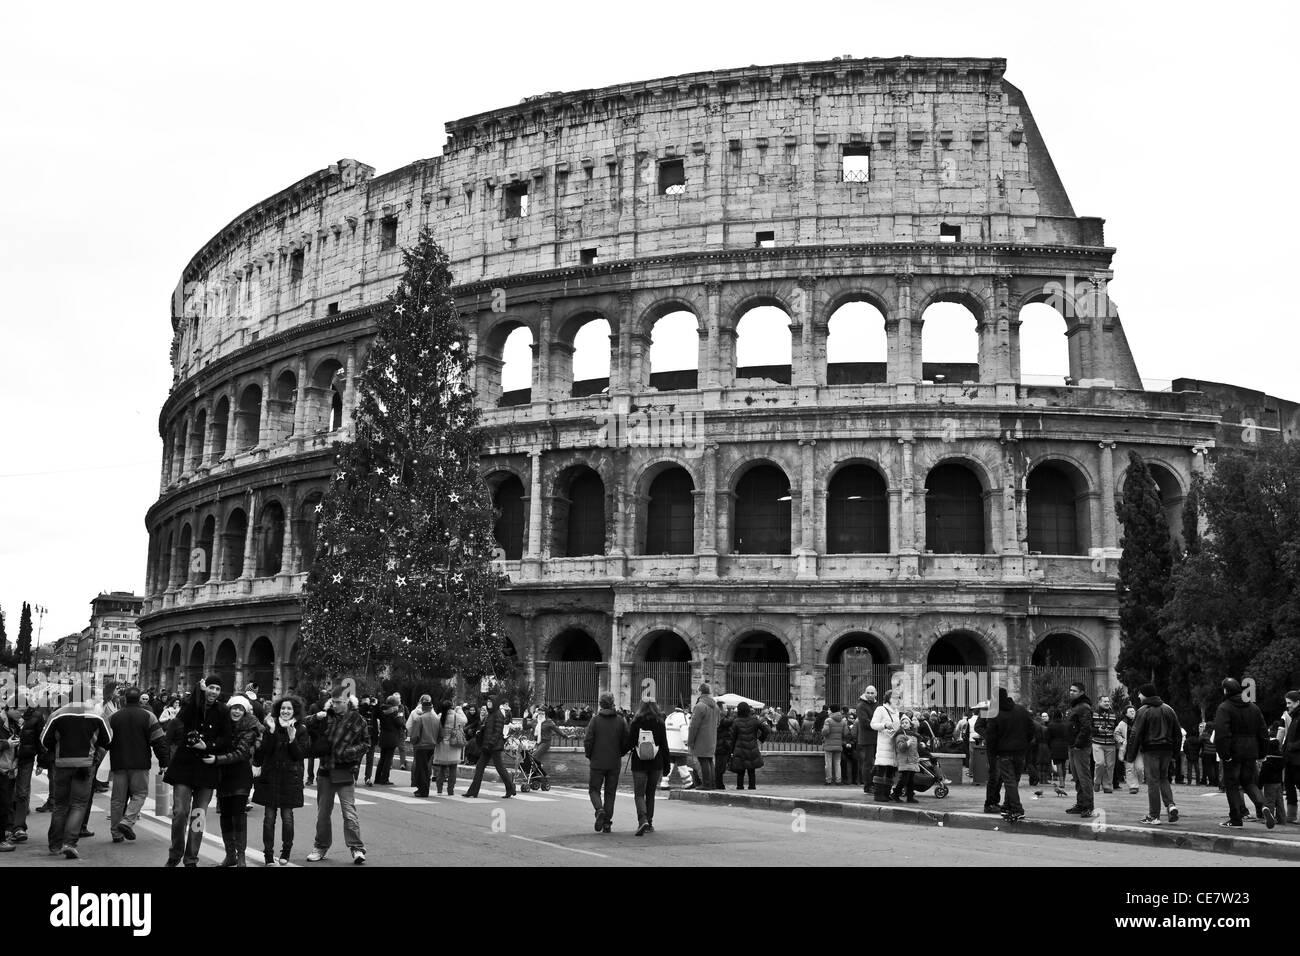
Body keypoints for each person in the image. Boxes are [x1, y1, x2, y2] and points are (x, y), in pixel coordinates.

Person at [163, 676, 231, 867]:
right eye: (211, 688)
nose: (214, 692)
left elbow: (226, 739)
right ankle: (175, 853)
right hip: (184, 767)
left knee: (198, 816)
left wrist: (207, 746)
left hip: (207, 768)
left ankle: (191, 858)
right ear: (205, 689)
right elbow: (181, 719)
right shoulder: (192, 705)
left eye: (217, 689)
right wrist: (197, 694)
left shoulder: (223, 710)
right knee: (180, 813)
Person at [40, 697, 112, 860]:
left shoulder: (58, 714)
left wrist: (57, 746)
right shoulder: (96, 714)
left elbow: (44, 740)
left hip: (62, 763)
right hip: (86, 764)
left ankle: (55, 844)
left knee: (60, 805)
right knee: (79, 805)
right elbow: (108, 740)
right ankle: (70, 843)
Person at [304, 687, 371, 862]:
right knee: (323, 813)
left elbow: (366, 743)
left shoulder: (358, 719)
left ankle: (357, 848)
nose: (335, 704)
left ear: (347, 701)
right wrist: (314, 717)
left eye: (339, 702)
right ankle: (320, 847)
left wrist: (349, 752)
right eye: (333, 701)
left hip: (345, 771)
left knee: (349, 812)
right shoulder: (326, 716)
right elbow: (303, 724)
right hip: (325, 771)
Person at [204, 694, 262, 866]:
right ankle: (230, 855)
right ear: (229, 708)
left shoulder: (250, 727)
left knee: (238, 815)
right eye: (234, 707)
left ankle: (241, 856)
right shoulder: (222, 725)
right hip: (223, 776)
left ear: (245, 711)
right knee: (226, 816)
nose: (236, 711)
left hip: (240, 775)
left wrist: (216, 760)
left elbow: (241, 753)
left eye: (240, 708)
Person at [107, 688, 169, 844]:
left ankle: (116, 833)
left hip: (119, 763)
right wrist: (164, 762)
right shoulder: (149, 716)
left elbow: (105, 740)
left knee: (117, 799)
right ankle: (127, 822)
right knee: (140, 794)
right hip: (140, 763)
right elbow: (159, 741)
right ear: (140, 700)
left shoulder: (113, 717)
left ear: (125, 699)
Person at [253, 695, 309, 866]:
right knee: (269, 818)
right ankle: (268, 855)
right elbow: (264, 751)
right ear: (278, 710)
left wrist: (292, 739)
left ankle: (286, 852)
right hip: (271, 777)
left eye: (289, 709)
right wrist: (270, 732)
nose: (285, 711)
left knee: (287, 817)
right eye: (283, 708)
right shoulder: (271, 725)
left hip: (290, 780)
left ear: (295, 711)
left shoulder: (300, 729)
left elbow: (300, 755)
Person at [1213, 677, 1272, 829]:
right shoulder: (1253, 707)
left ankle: (1235, 819)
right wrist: (1262, 752)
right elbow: (1263, 733)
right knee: (1249, 782)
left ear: (1226, 691)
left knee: (1232, 785)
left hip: (1233, 751)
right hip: (1251, 751)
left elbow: (1221, 734)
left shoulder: (1224, 708)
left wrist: (1224, 754)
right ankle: (1264, 806)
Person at [1123, 683, 1181, 825]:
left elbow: (1135, 734)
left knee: (1152, 781)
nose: (1138, 695)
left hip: (1151, 750)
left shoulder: (1143, 711)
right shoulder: (1168, 709)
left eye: (1140, 693)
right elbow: (1177, 733)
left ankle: (1154, 815)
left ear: (1146, 694)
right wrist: (1175, 753)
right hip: (1167, 749)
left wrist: (1130, 755)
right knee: (1163, 778)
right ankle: (1170, 805)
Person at [984, 687, 1033, 821]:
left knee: (1009, 781)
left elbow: (991, 737)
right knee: (1014, 780)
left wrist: (993, 754)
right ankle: (1008, 806)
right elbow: (1031, 729)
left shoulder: (995, 714)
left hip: (1004, 753)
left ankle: (1017, 809)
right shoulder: (1021, 710)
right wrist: (1025, 744)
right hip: (1020, 752)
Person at [584, 692, 629, 831]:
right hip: (614, 762)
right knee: (610, 793)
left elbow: (588, 740)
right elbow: (626, 742)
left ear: (600, 704)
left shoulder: (595, 720)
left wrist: (590, 755)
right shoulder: (621, 720)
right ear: (613, 703)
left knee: (594, 789)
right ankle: (607, 823)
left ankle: (599, 810)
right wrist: (619, 753)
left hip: (597, 761)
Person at [628, 699, 671, 836]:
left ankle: (643, 820)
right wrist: (666, 765)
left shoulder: (636, 722)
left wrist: (619, 751)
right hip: (656, 763)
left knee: (639, 794)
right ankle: (650, 823)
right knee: (650, 793)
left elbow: (630, 742)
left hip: (639, 763)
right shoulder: (660, 722)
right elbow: (664, 745)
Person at [463, 695, 515, 799]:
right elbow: (487, 730)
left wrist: (490, 744)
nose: (488, 704)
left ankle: (510, 788)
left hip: (494, 747)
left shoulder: (498, 715)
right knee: (479, 768)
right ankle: (473, 791)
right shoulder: (490, 714)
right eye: (488, 702)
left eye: (491, 702)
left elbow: (497, 732)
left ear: (495, 703)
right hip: (487, 747)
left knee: (500, 769)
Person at [7, 704, 44, 845]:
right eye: (18, 709)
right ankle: (8, 826)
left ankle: (19, 827)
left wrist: (42, 762)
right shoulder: (6, 718)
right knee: (7, 792)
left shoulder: (36, 716)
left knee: (22, 792)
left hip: (26, 759)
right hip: (7, 759)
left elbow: (40, 740)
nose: (21, 712)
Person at [1065, 682, 1096, 818]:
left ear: (1081, 692)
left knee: (1084, 777)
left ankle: (1088, 806)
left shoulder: (1083, 707)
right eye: (1070, 690)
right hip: (1074, 746)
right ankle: (1081, 803)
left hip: (1081, 747)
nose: (1071, 692)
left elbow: (1086, 727)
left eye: (1074, 691)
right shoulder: (1076, 706)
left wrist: (1078, 743)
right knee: (1077, 777)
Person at [869, 690, 901, 801]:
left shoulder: (896, 712)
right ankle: (878, 795)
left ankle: (886, 793)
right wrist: (885, 725)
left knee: (890, 770)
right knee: (881, 769)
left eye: (898, 698)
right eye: (895, 698)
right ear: (889, 699)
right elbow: (873, 724)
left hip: (893, 744)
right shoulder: (880, 709)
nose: (897, 700)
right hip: (884, 744)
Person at [727, 702, 768, 790]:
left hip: (739, 748)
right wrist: (760, 739)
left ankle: (740, 787)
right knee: (751, 770)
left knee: (740, 771)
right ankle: (752, 787)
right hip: (752, 747)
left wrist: (731, 750)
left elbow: (732, 737)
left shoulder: (736, 721)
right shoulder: (754, 720)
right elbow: (766, 730)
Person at [686, 684, 719, 790]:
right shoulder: (716, 706)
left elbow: (693, 726)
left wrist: (690, 741)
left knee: (703, 760)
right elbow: (718, 723)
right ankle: (712, 783)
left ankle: (706, 784)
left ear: (700, 692)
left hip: (701, 738)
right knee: (709, 760)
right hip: (712, 737)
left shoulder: (699, 706)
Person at [407, 694, 440, 798]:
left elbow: (415, 736)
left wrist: (413, 742)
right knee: (426, 768)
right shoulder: (436, 719)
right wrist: (435, 741)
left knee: (421, 769)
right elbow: (441, 735)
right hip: (431, 746)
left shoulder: (419, 719)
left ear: (423, 707)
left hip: (421, 746)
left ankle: (422, 790)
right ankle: (424, 789)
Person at [433, 699, 467, 795]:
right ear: (452, 707)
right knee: (453, 768)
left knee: (442, 769)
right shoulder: (457, 716)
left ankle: (439, 789)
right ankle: (450, 790)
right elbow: (465, 720)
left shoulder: (440, 716)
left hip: (442, 745)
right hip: (454, 744)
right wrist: (460, 710)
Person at [373, 693, 404, 786]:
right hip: (392, 737)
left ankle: (377, 778)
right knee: (388, 759)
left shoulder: (382, 710)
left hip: (383, 736)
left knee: (382, 758)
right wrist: (400, 715)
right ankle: (385, 778)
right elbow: (400, 723)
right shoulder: (395, 712)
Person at [0, 707, 20, 853]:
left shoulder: (13, 723)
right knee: (2, 805)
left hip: (7, 770)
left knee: (6, 804)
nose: (22, 714)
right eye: (20, 710)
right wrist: (7, 744)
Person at [1090, 695, 1119, 795]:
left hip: (1111, 743)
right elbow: (1089, 729)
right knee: (1100, 763)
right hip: (1097, 743)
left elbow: (1117, 729)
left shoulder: (1114, 714)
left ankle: (1107, 785)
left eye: (1108, 701)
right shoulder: (1093, 714)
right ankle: (1097, 782)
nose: (1107, 703)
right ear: (1099, 702)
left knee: (1110, 766)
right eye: (1104, 701)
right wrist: (1098, 730)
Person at [891, 714, 921, 802]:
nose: (904, 724)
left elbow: (915, 748)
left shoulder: (913, 735)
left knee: (911, 780)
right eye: (903, 723)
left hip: (912, 760)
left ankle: (910, 797)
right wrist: (906, 744)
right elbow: (900, 747)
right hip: (904, 760)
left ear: (910, 724)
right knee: (904, 779)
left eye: (906, 722)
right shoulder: (900, 735)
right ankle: (895, 794)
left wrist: (921, 745)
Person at [527, 705, 556, 788]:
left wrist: (566, 736)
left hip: (545, 742)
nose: (540, 713)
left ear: (545, 713)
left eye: (542, 712)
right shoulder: (535, 721)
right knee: (528, 757)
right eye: (539, 711)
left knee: (534, 756)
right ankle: (535, 777)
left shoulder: (549, 722)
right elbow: (525, 727)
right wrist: (525, 718)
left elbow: (557, 730)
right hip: (536, 742)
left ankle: (543, 773)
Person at [857, 687, 878, 794]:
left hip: (877, 738)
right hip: (866, 739)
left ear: (876, 694)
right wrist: (879, 725)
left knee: (876, 762)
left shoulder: (877, 705)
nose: (870, 695)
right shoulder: (861, 706)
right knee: (868, 763)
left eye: (872, 693)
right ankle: (868, 786)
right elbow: (865, 722)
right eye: (868, 693)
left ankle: (874, 784)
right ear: (865, 693)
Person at [1284, 691, 1300, 824]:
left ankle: (1292, 815)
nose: (1287, 706)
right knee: (1289, 786)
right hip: (1291, 758)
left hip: (1297, 758)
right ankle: (1291, 815)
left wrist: (1291, 746)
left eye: (1289, 703)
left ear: (1297, 702)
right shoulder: (1294, 716)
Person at [821, 704, 846, 785]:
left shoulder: (828, 720)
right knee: (837, 763)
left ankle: (828, 780)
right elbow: (845, 733)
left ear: (831, 710)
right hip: (838, 745)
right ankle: (838, 780)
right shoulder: (843, 721)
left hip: (828, 745)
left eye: (829, 709)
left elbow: (825, 732)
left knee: (828, 763)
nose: (828, 711)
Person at [357, 694, 379, 786]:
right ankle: (354, 778)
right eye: (365, 700)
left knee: (370, 760)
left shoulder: (373, 709)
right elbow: (361, 712)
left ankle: (368, 778)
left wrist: (376, 704)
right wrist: (365, 705)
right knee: (358, 759)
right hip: (361, 739)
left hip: (371, 738)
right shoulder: (359, 708)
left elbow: (379, 713)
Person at [714, 706, 734, 789]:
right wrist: (734, 714)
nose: (727, 710)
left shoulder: (719, 718)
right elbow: (728, 722)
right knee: (720, 767)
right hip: (721, 746)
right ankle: (718, 784)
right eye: (725, 708)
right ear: (720, 710)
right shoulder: (721, 719)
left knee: (720, 767)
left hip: (722, 746)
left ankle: (719, 783)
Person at [1183, 718, 1204, 785]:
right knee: (1197, 769)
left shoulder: (1187, 740)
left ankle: (1189, 781)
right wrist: (1198, 752)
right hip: (1196, 755)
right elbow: (1200, 747)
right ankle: (1198, 781)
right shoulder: (1198, 740)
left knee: (1189, 769)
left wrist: (1187, 753)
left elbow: (1185, 747)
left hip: (1189, 755)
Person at [1198, 721, 1218, 788]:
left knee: (1209, 768)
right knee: (1215, 768)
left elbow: (1199, 740)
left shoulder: (1205, 734)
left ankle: (1211, 781)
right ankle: (1216, 781)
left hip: (1207, 752)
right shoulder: (1215, 734)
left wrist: (1201, 733)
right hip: (1215, 753)